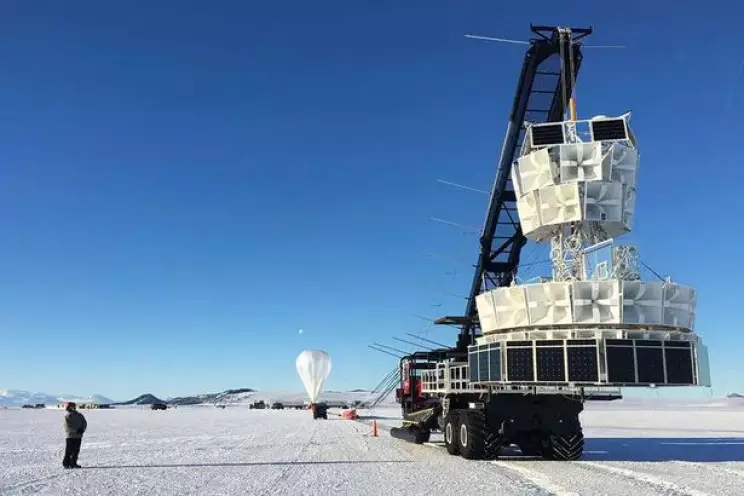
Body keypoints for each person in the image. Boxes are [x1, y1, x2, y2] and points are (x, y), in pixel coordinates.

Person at [62, 402, 87, 469]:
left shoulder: (79, 415)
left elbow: (84, 423)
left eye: (73, 406)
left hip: (78, 436)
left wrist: (82, 429)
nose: (72, 408)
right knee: (69, 451)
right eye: (70, 407)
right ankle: (66, 463)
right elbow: (67, 426)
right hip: (70, 436)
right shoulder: (67, 416)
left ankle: (73, 463)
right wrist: (76, 431)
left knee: (76, 451)